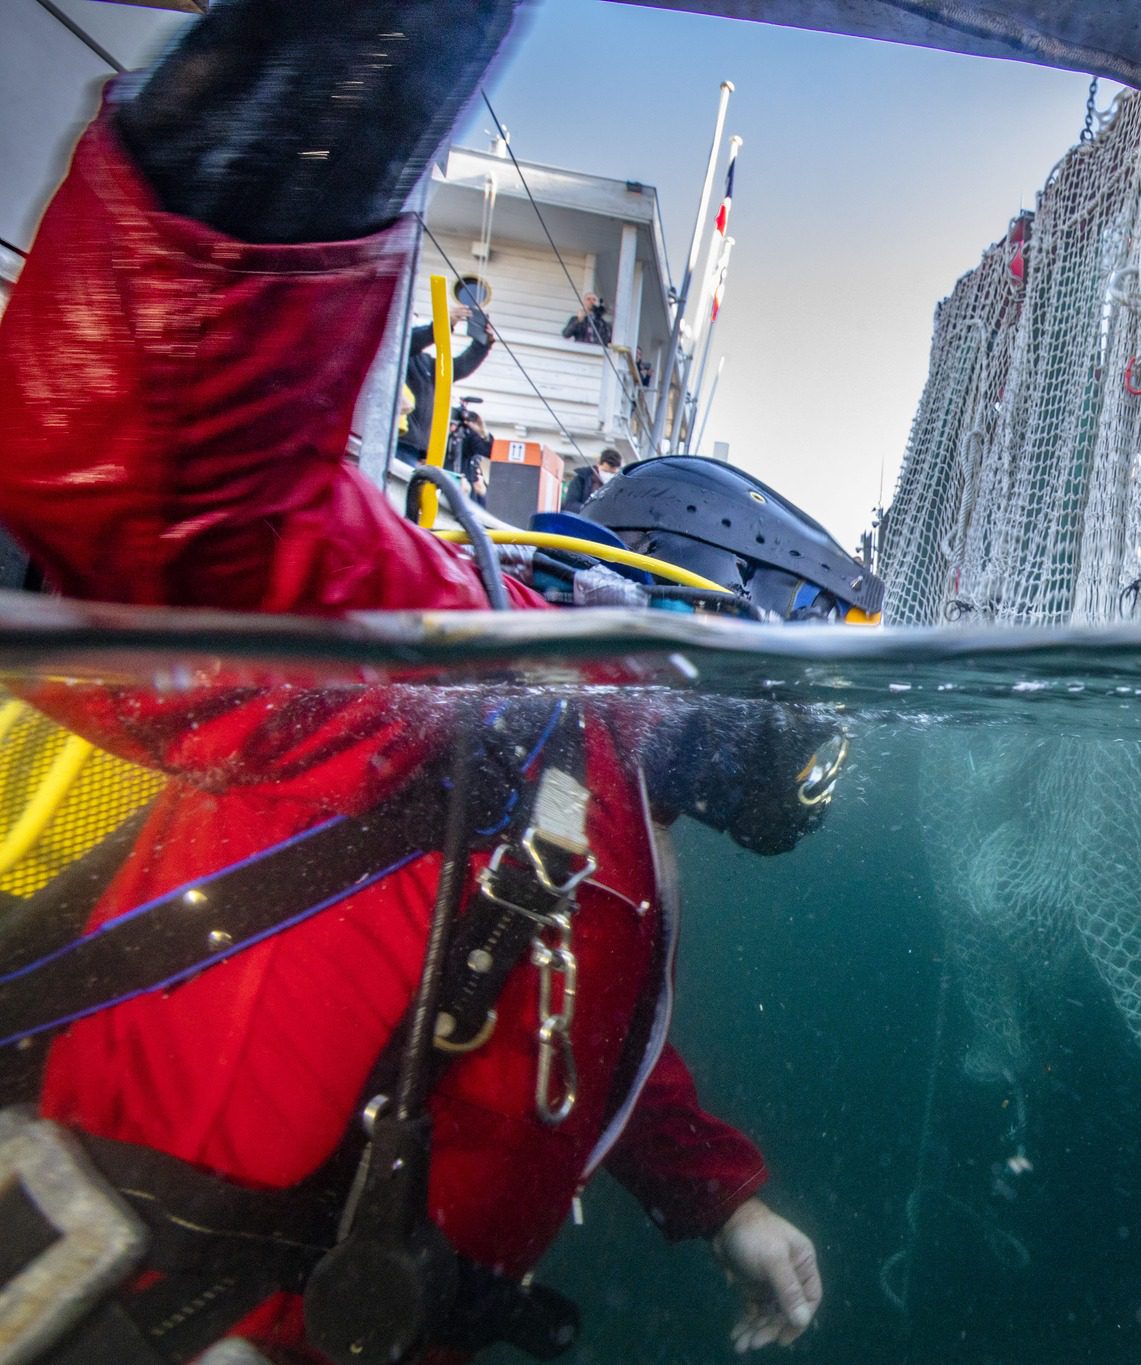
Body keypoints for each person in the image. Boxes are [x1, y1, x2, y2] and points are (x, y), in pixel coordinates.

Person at [0, 2, 830, 1360]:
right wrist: (340, 77)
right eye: (793, 663)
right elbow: (181, 498)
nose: (808, 735)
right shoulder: (475, 688)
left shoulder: (601, 792)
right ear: (695, 618)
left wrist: (721, 1195)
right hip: (130, 1318)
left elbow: (574, 1017)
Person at [400, 305, 496, 466]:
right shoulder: (395, 352)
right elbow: (409, 341)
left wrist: (482, 345)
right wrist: (444, 324)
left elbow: (458, 368)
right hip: (398, 442)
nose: (415, 319)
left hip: (414, 448)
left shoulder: (425, 362)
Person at [563, 448, 622, 514]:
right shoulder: (582, 479)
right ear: (599, 464)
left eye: (612, 473)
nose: (608, 475)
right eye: (605, 471)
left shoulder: (619, 487)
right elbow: (570, 505)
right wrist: (589, 510)